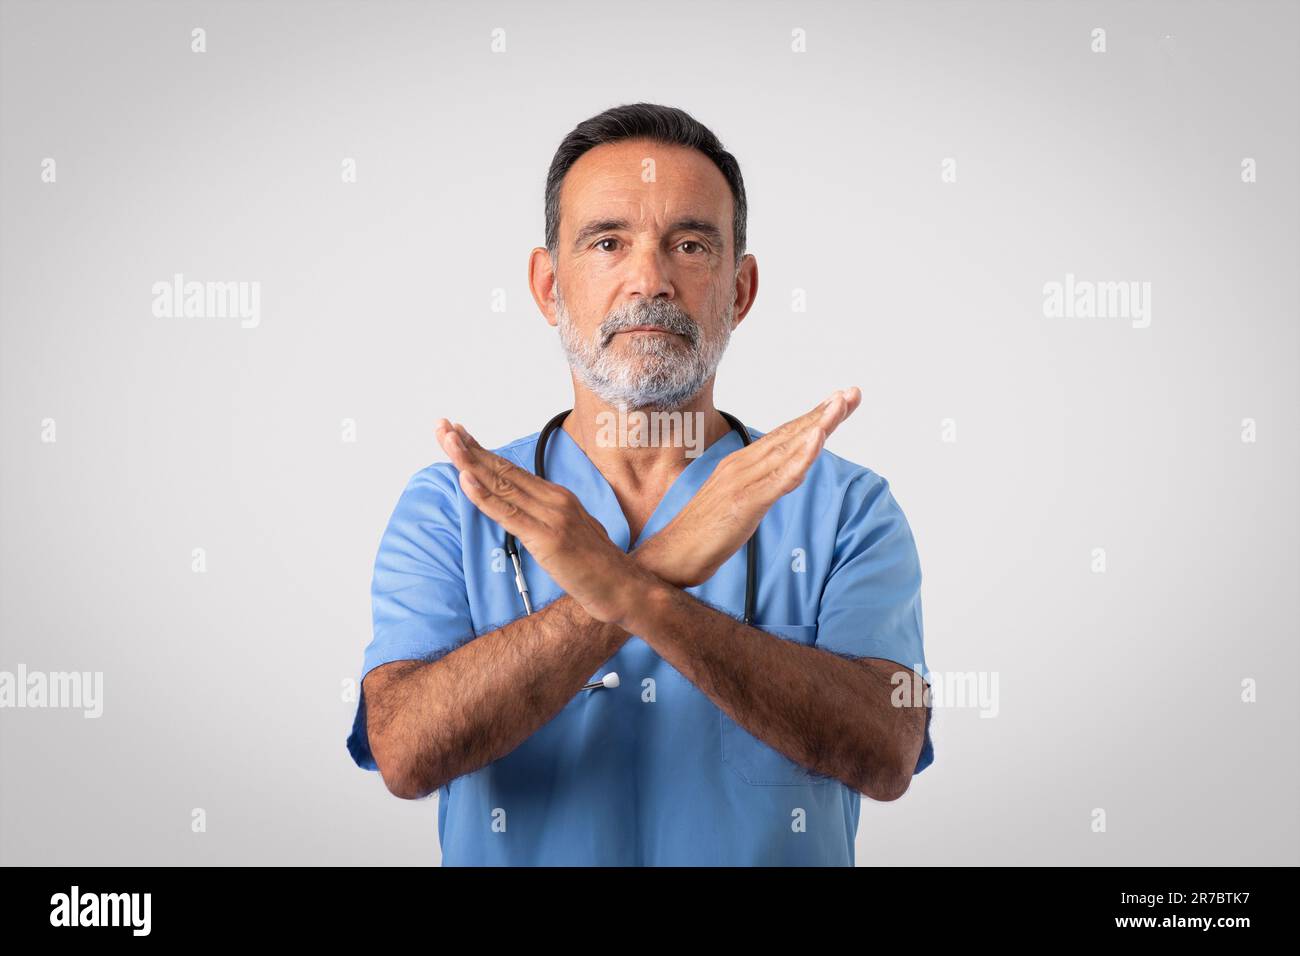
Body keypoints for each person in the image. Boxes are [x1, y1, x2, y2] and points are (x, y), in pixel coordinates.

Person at [347, 102, 933, 865]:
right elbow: (404, 750)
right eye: (608, 242)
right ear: (549, 285)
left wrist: (632, 593)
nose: (649, 280)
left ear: (741, 290)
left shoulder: (849, 510)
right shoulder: (452, 504)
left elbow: (889, 748)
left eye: (689, 245)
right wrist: (667, 566)